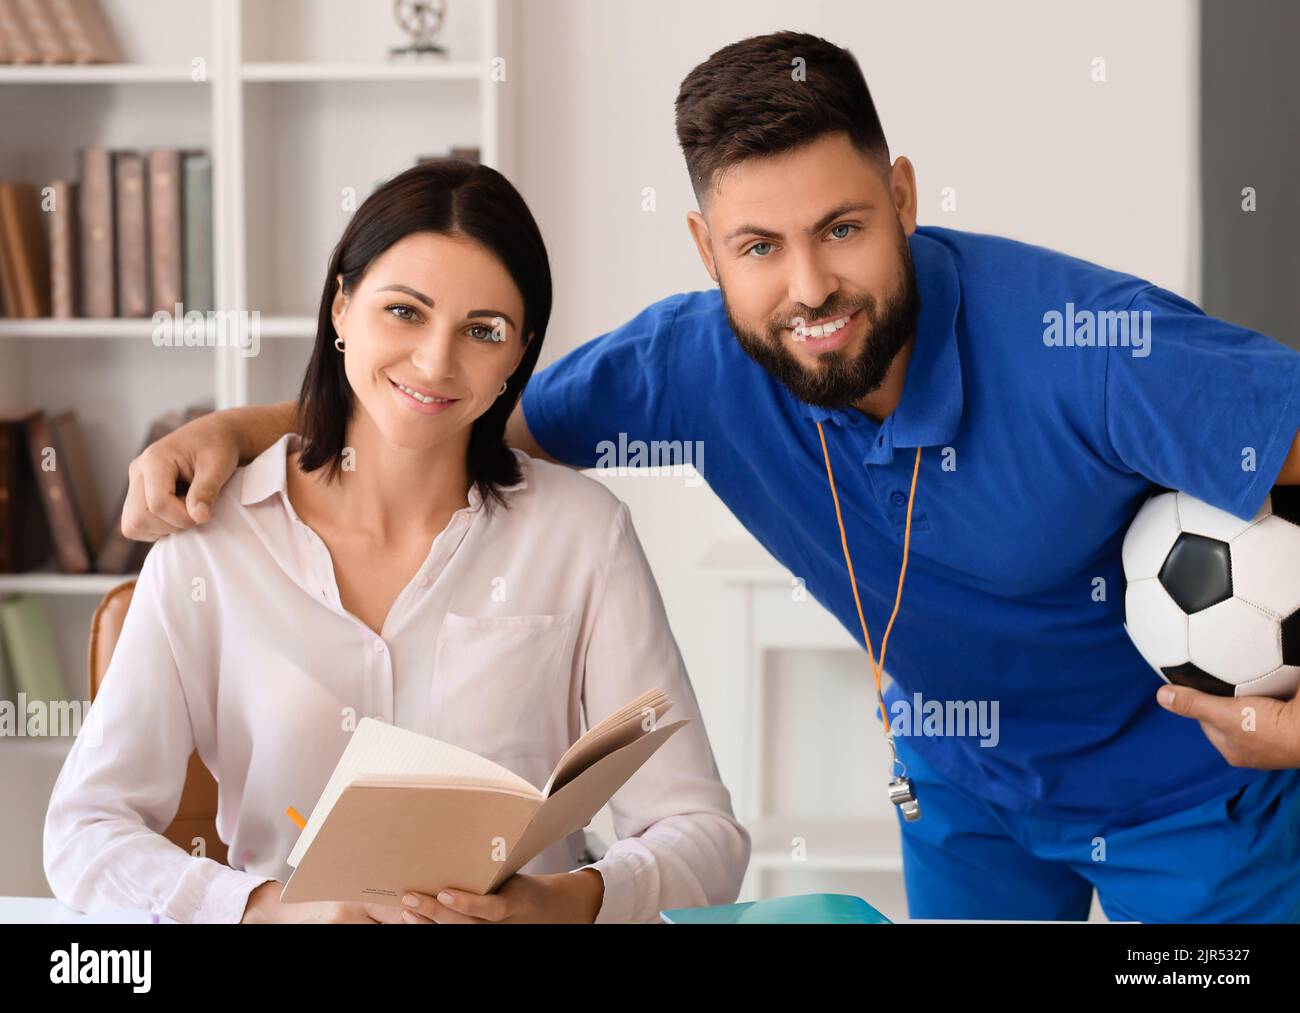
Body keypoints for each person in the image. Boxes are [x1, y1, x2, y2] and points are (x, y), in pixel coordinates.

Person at [119, 32, 1300, 922]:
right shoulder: (692, 358)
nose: (808, 289)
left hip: (1192, 803)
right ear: (705, 251)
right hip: (963, 785)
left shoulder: (1085, 348)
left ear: (900, 194)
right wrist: (243, 423)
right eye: (758, 246)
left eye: (841, 227)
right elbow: (457, 401)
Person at [44, 159, 749, 924]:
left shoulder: (583, 535)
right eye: (405, 312)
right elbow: (84, 833)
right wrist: (264, 910)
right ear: (341, 307)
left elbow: (706, 836)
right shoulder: (211, 544)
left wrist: (565, 901)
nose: (436, 362)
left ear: (519, 354)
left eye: (483, 331)